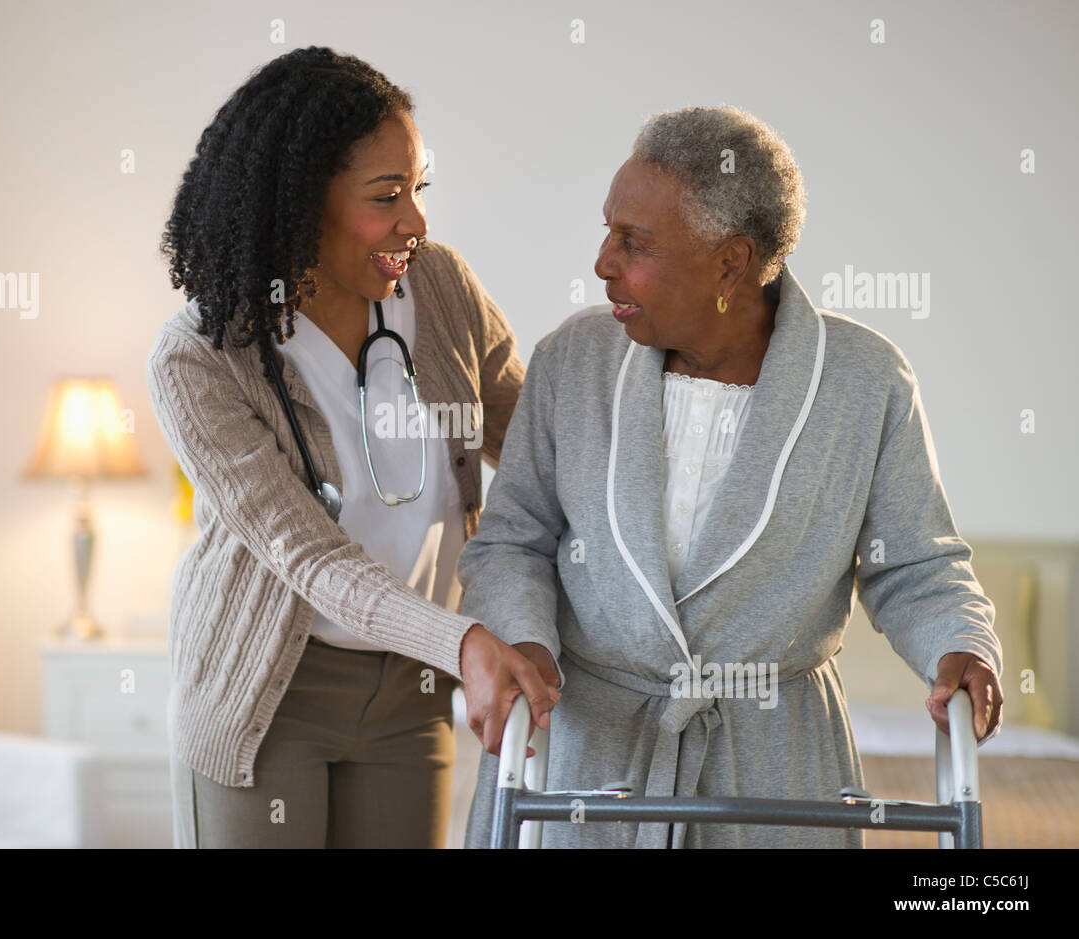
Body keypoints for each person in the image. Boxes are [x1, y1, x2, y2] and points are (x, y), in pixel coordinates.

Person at [461, 104, 1004, 848]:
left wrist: (961, 646)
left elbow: (915, 565)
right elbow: (512, 541)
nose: (602, 262)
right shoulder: (573, 361)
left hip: (773, 766)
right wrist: (523, 640)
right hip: (585, 750)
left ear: (730, 262)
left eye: (634, 242)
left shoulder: (864, 381)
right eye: (608, 230)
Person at [146, 47, 558, 848]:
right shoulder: (199, 358)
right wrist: (467, 641)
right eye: (386, 196)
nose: (417, 220)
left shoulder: (437, 288)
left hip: (410, 691)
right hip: (267, 693)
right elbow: (308, 556)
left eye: (418, 188)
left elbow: (544, 450)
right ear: (301, 206)